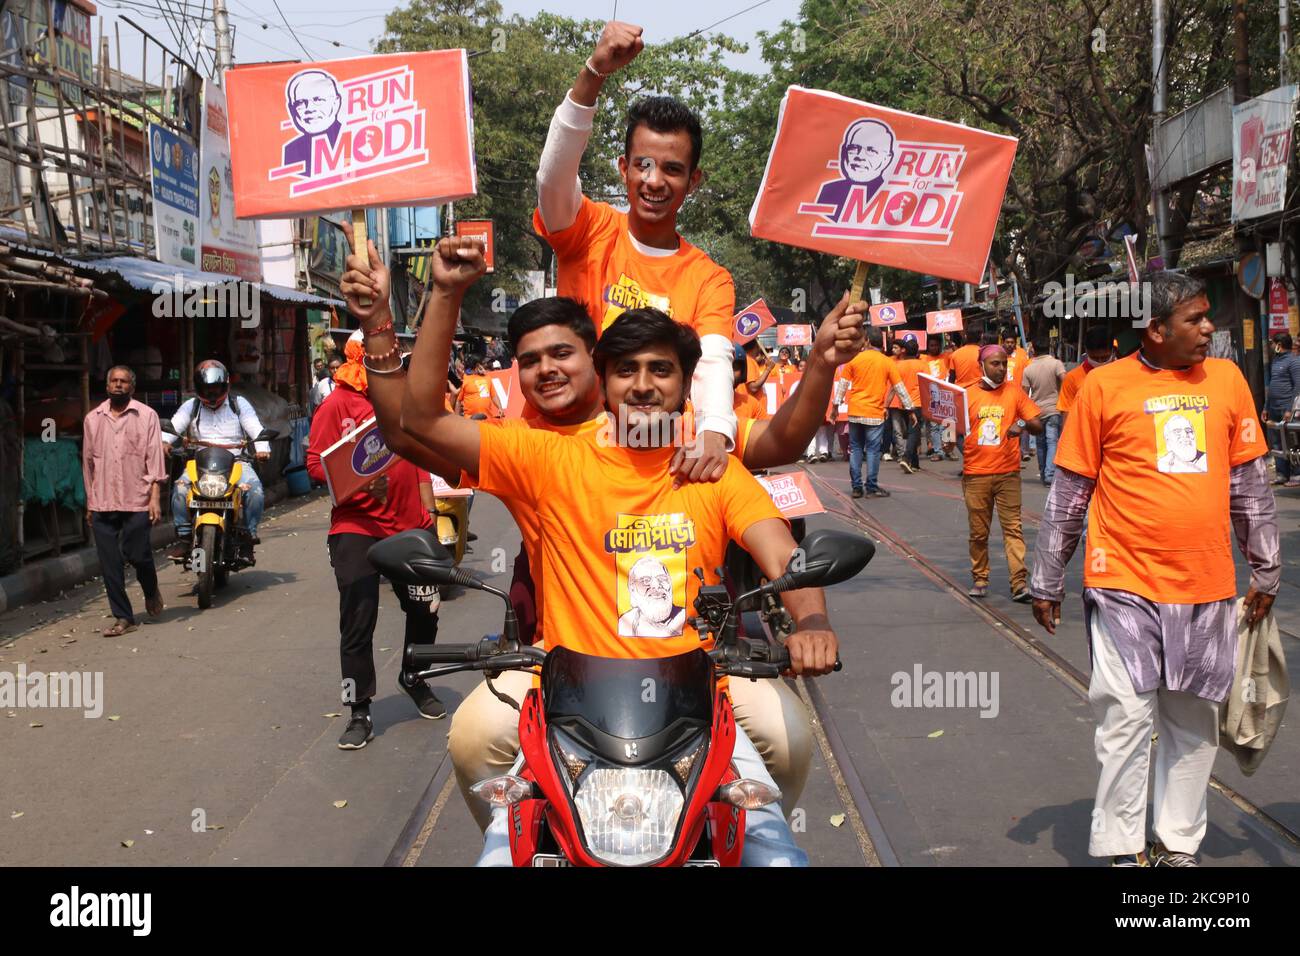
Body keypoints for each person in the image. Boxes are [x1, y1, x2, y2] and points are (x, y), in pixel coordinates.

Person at [345, 234, 865, 831]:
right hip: (568, 677)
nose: (643, 386)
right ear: (607, 377)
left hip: (703, 679)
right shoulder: (543, 455)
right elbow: (419, 422)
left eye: (660, 370)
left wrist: (814, 625)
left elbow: (784, 551)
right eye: (628, 371)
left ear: (687, 384)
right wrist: (442, 292)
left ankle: (737, 836)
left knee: (788, 739)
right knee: (472, 736)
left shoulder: (712, 458)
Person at [1029, 270, 1279, 867]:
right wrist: (1046, 577)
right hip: (1122, 584)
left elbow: (1250, 485)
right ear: (1156, 328)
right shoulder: (1103, 387)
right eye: (1195, 319)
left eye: (1206, 317)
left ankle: (1177, 844)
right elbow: (1070, 493)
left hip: (1207, 584)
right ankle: (1119, 847)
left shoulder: (1228, 380)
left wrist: (1266, 567)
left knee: (1194, 722)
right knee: (1125, 717)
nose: (1208, 328)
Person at [534, 19, 736, 485]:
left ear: (693, 181)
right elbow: (552, 180)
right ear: (624, 167)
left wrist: (714, 430)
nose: (654, 180)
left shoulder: (709, 277)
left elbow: (712, 359)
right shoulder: (587, 229)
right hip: (563, 462)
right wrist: (593, 73)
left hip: (656, 475)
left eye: (672, 168)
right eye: (643, 164)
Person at [306, 331, 445, 749]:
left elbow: (419, 456)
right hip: (356, 527)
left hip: (409, 525)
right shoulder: (336, 404)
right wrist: (363, 486)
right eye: (381, 358)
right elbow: (315, 464)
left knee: (425, 609)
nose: (391, 364)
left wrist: (430, 515)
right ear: (361, 360)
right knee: (357, 620)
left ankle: (414, 676)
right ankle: (358, 709)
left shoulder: (405, 399)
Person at [946, 344, 1043, 601]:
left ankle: (1019, 583)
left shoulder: (1015, 393)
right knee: (979, 532)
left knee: (1013, 528)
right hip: (976, 474)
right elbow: (949, 428)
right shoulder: (965, 395)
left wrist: (1020, 424)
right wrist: (946, 437)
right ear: (982, 366)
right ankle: (980, 577)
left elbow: (1037, 424)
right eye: (995, 364)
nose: (1001, 369)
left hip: (1008, 474)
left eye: (1004, 364)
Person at [83, 366, 168, 637]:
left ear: (131, 387)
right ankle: (123, 617)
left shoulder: (147, 416)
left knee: (138, 554)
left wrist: (155, 499)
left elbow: (155, 459)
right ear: (107, 385)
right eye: (114, 381)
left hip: (137, 499)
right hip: (102, 501)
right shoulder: (92, 419)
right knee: (110, 564)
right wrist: (89, 502)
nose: (118, 385)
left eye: (124, 382)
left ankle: (150, 587)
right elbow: (88, 464)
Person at [164, 360, 267, 560]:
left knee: (255, 491)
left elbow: (255, 428)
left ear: (225, 385)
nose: (211, 393)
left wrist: (262, 449)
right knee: (180, 488)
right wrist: (164, 442)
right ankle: (185, 538)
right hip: (198, 464)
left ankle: (247, 535)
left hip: (236, 462)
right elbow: (174, 426)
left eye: (215, 388)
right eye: (206, 388)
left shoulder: (239, 404)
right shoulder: (191, 406)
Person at [843, 328, 915, 498]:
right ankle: (872, 486)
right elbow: (899, 388)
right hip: (874, 414)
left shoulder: (854, 360)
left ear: (866, 341)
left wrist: (833, 409)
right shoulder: (887, 362)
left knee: (855, 448)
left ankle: (856, 487)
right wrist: (910, 409)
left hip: (855, 411)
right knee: (873, 451)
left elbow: (842, 386)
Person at [1022, 338, 1066, 485]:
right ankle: (1049, 475)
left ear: (1033, 349)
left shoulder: (1028, 369)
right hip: (1054, 408)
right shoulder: (1056, 364)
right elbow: (1066, 381)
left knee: (1040, 444)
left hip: (1036, 411)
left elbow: (1024, 393)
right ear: (1050, 348)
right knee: (1052, 441)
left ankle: (1043, 473)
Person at [1057, 325, 1114, 424]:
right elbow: (1067, 417)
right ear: (1086, 351)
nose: (1100, 362)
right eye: (1095, 358)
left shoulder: (1122, 374)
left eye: (1105, 358)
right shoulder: (1072, 378)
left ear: (1112, 351)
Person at [1264, 333, 1300, 486]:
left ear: (1279, 344)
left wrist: (1289, 409)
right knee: (1277, 443)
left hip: (1287, 408)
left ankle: (1296, 475)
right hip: (1273, 408)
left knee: (1292, 442)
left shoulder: (1294, 362)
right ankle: (1281, 474)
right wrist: (1266, 407)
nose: (1271, 346)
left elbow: (1297, 386)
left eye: (1273, 343)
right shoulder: (1275, 361)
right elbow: (1272, 386)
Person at [890, 338, 925, 473]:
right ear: (917, 352)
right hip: (918, 403)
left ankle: (915, 463)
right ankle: (906, 458)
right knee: (913, 432)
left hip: (903, 403)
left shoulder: (898, 365)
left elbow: (894, 387)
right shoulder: (923, 365)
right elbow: (929, 385)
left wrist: (886, 405)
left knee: (912, 432)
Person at [923, 336, 954, 461]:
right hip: (932, 397)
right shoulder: (923, 359)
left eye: (936, 345)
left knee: (948, 423)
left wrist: (949, 340)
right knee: (934, 425)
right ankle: (938, 451)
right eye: (931, 345)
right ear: (927, 346)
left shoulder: (946, 356)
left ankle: (949, 450)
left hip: (946, 394)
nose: (934, 347)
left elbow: (956, 354)